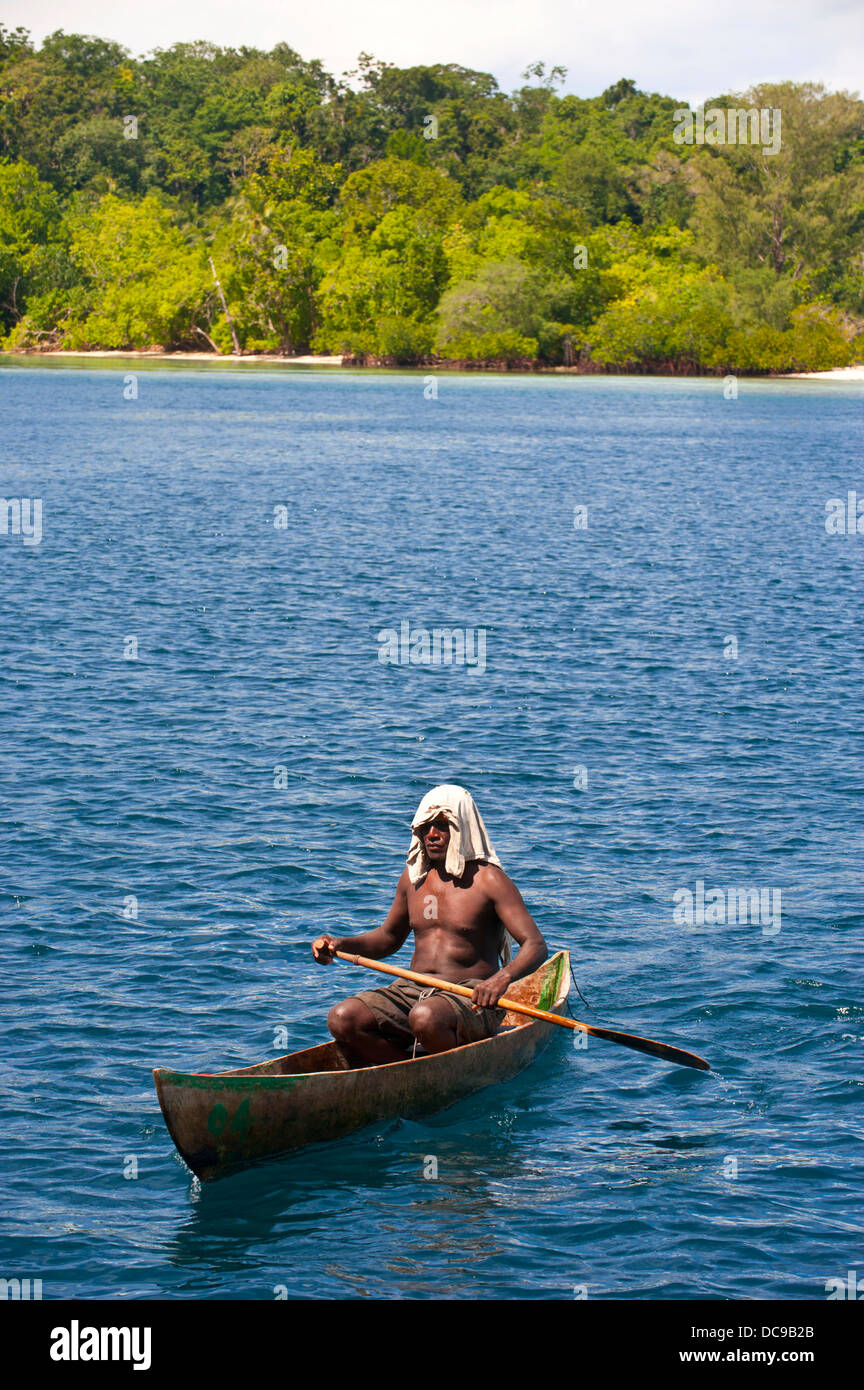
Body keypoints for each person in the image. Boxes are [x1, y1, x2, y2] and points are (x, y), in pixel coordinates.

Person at [312, 784, 547, 1062]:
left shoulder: (490, 880)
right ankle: (401, 1072)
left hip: (471, 998)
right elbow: (388, 938)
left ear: (462, 828)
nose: (431, 835)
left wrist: (500, 980)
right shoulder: (413, 879)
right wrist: (341, 944)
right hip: (412, 991)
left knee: (425, 1019)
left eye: (442, 826)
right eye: (425, 827)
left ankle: (457, 1073)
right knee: (342, 1018)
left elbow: (535, 945)